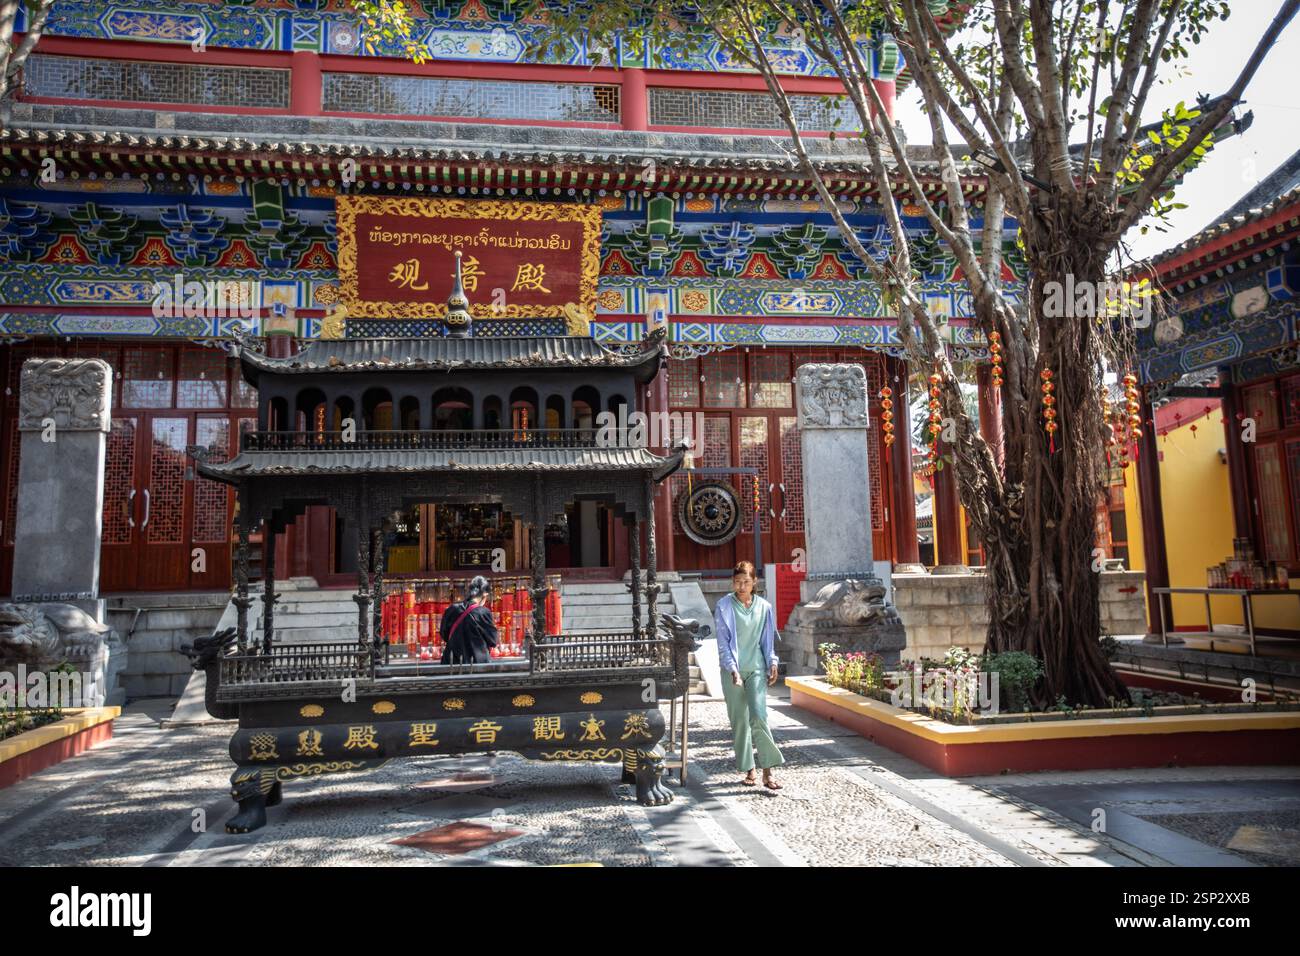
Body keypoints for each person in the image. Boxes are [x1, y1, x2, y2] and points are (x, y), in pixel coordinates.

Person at [713, 560, 784, 790]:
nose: (741, 586)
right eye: (737, 582)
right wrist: (732, 670)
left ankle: (768, 770)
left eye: (746, 582)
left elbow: (767, 642)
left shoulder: (764, 607)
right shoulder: (723, 606)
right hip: (732, 670)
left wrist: (772, 662)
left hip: (755, 668)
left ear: (755, 582)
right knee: (740, 721)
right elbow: (723, 644)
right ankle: (749, 768)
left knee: (759, 716)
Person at [440, 575, 498, 665]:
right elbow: (493, 641)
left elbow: (444, 634)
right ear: (485, 594)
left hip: (452, 664)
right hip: (477, 665)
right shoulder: (483, 612)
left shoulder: (452, 609)